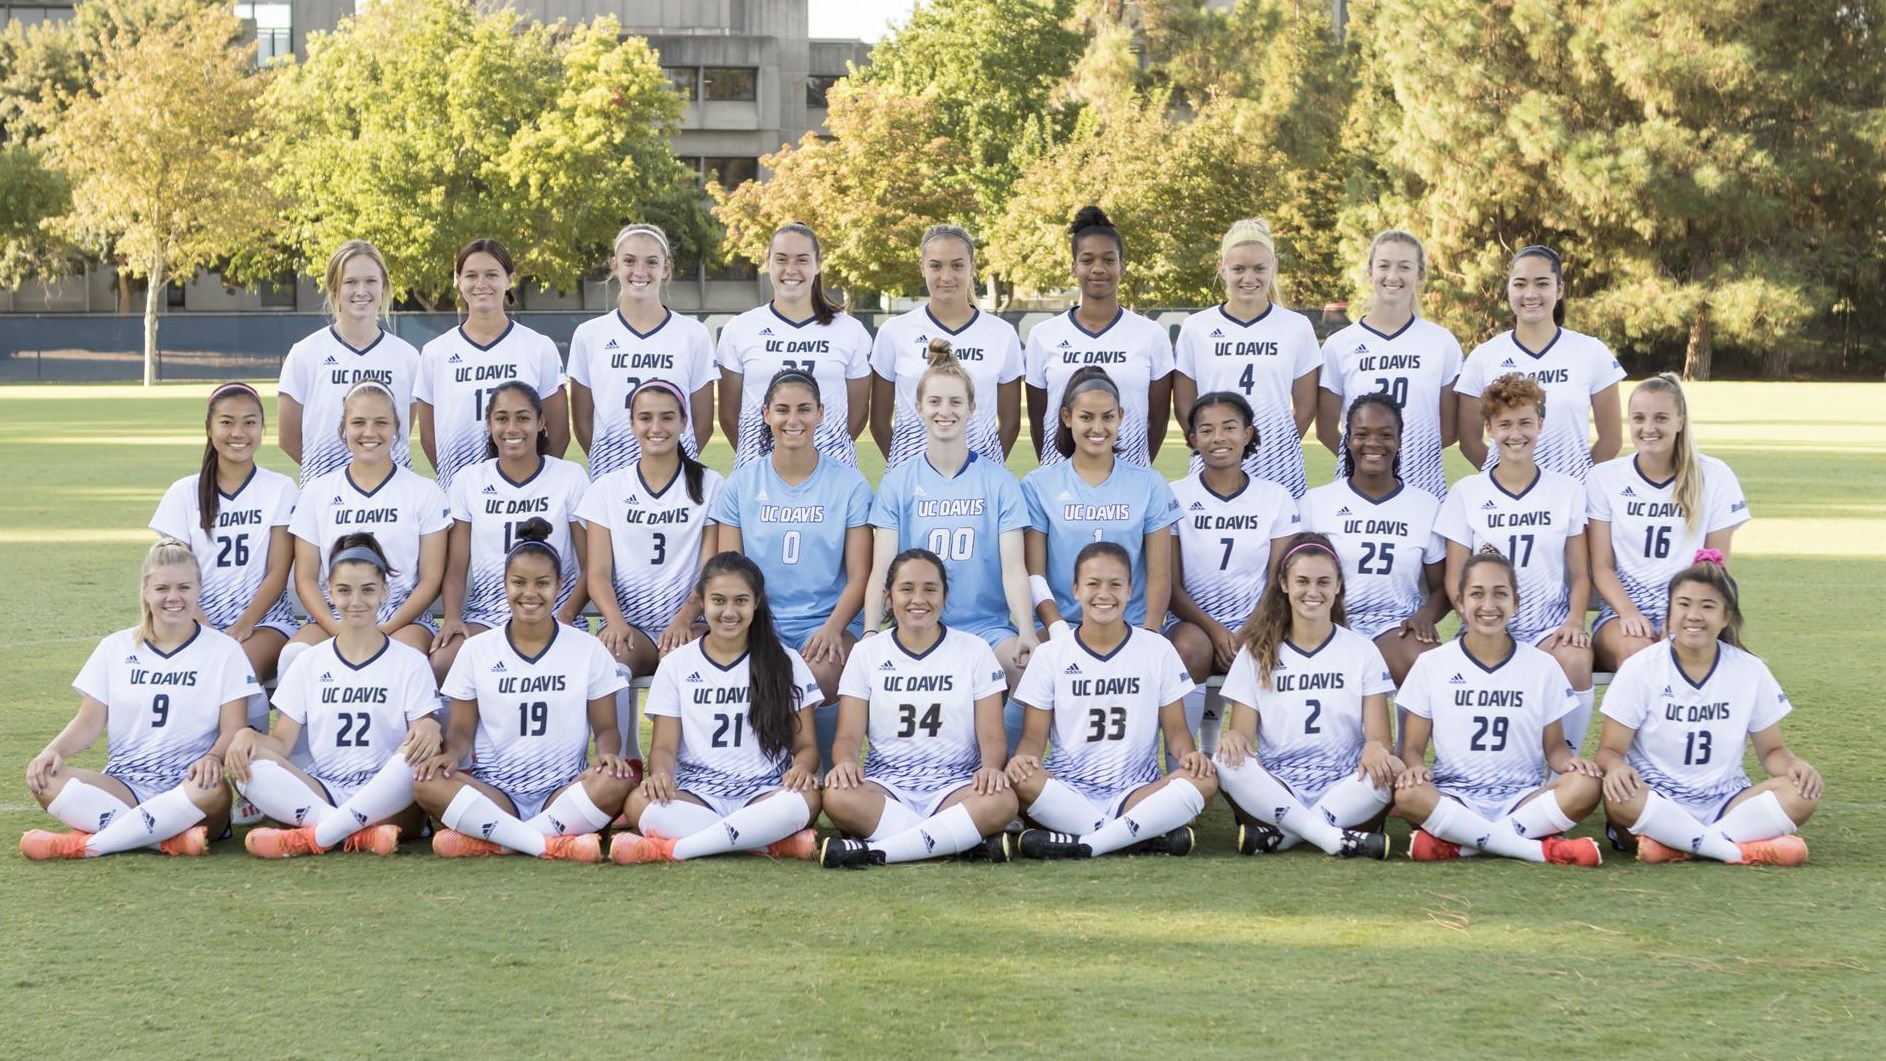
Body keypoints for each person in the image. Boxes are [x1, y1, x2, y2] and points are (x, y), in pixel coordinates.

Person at [412, 520, 634, 861]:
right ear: (505, 584)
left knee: (617, 780)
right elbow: (459, 734)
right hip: (495, 793)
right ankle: (554, 840)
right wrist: (450, 758)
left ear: (559, 585)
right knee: (426, 782)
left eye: (542, 583)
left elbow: (606, 730)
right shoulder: (476, 649)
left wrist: (606, 755)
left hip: (561, 792)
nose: (529, 594)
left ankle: (498, 840)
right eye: (519, 582)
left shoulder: (587, 649)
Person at [21, 540, 257, 860]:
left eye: (184, 587)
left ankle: (87, 844)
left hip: (189, 786)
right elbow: (89, 722)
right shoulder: (114, 648)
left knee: (213, 791)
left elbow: (233, 727)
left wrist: (213, 758)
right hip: (124, 787)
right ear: (146, 590)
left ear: (199, 589)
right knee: (44, 780)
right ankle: (165, 840)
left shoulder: (225, 651)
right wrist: (53, 750)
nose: (173, 597)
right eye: (162, 588)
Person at [1595, 555, 1817, 865]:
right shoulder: (1641, 668)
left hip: (1726, 801)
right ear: (1670, 611)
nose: (1693, 615)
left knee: (1802, 792)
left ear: (1726, 617)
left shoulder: (1749, 670)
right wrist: (1617, 768)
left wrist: (1794, 765)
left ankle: (1677, 847)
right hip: (1658, 799)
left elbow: (1772, 752)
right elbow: (1608, 751)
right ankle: (1736, 849)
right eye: (1683, 604)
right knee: (1620, 796)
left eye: (1707, 606)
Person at [229, 534, 442, 857]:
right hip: (325, 789)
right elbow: (282, 744)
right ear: (329, 591)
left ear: (384, 591)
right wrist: (248, 737)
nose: (355, 601)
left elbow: (420, 743)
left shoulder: (410, 661)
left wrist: (428, 727)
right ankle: (356, 833)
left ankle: (315, 835)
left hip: (389, 795)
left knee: (416, 758)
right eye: (344, 590)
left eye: (367, 590)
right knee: (249, 769)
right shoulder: (308, 661)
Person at [1391, 550, 1604, 866]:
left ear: (1515, 602)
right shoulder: (1432, 664)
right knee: (1409, 794)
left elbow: (1555, 749)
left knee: (1587, 785)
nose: (1488, 605)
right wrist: (1415, 768)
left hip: (1522, 799)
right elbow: (1411, 749)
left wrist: (1572, 764)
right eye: (1477, 594)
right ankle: (1535, 849)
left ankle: (1460, 844)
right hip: (1456, 797)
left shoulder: (1543, 666)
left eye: (1500, 594)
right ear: (1460, 603)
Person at [609, 553, 825, 863]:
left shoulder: (785, 661)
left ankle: (676, 848)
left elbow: (807, 748)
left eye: (740, 601)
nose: (729, 612)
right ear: (702, 602)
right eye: (718, 600)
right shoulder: (676, 665)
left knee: (805, 800)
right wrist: (659, 775)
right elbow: (664, 749)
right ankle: (767, 842)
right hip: (697, 795)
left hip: (763, 793)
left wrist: (802, 768)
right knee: (638, 803)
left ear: (757, 602)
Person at [1005, 543, 1215, 859]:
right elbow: (1033, 738)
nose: (1104, 593)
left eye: (1115, 584)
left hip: (1137, 792)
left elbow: (1176, 734)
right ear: (1076, 590)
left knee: (1204, 778)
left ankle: (1085, 842)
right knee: (1021, 779)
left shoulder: (1157, 649)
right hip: (1069, 791)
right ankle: (1138, 835)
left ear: (1130, 590)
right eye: (1093, 584)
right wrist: (1023, 760)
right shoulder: (1051, 654)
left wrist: (1189, 757)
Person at [711, 370, 873, 766]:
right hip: (761, 621)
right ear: (766, 414)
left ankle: (826, 770)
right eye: (782, 410)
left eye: (804, 409)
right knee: (742, 671)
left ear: (820, 413)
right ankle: (761, 771)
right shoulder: (741, 484)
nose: (793, 419)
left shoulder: (849, 485)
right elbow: (731, 573)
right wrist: (756, 631)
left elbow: (860, 576)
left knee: (820, 671)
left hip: (827, 619)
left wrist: (833, 628)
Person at [819, 549, 1017, 868]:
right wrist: (843, 763)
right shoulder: (867, 653)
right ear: (888, 597)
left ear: (944, 596)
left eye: (930, 589)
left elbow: (992, 737)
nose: (918, 599)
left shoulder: (974, 650)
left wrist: (992, 768)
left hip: (955, 787)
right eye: (907, 588)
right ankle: (959, 843)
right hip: (888, 786)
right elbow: (848, 736)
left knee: (1002, 801)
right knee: (837, 794)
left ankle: (880, 849)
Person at [1437, 373, 1596, 752]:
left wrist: (1574, 621)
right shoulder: (1467, 493)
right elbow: (1453, 579)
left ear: (1540, 424)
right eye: (1505, 424)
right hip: (1485, 622)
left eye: (1525, 422)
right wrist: (1478, 621)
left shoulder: (1567, 491)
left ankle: (1563, 766)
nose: (1516, 434)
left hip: (1547, 626)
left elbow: (1580, 573)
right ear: (1489, 428)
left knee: (1575, 659)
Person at [864, 340, 1036, 688]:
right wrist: (870, 630)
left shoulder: (1000, 482)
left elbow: (1014, 568)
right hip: (917, 624)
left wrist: (1028, 631)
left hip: (987, 628)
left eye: (956, 402)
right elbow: (881, 569)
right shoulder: (898, 483)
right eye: (935, 402)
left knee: (1024, 669)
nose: (946, 411)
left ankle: (1011, 746)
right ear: (918, 408)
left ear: (972, 407)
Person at [1213, 534, 1396, 858]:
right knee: (1225, 761)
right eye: (1302, 581)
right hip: (1278, 786)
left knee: (1389, 769)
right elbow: (1242, 732)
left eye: (1324, 581)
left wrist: (1374, 747)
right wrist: (1234, 737)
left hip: (1346, 783)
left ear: (1339, 585)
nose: (1313, 592)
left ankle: (1281, 836)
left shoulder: (1362, 650)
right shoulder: (1257, 651)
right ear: (1284, 584)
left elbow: (1381, 739)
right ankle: (1333, 836)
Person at [580, 379, 724, 772]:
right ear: (631, 423)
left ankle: (692, 766)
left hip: (692, 624)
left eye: (666, 417)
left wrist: (683, 620)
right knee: (609, 656)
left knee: (688, 659)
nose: (655, 427)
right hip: (634, 625)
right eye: (644, 418)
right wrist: (614, 622)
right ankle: (626, 762)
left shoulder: (710, 485)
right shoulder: (608, 488)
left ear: (683, 423)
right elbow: (598, 574)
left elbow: (713, 571)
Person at [149, 381, 296, 721]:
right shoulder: (183, 492)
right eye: (227, 422)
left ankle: (250, 754)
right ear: (209, 428)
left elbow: (278, 571)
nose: (238, 432)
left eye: (249, 422)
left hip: (265, 623)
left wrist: (244, 625)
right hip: (194, 620)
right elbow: (172, 573)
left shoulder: (280, 488)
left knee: (233, 671)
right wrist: (202, 624)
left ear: (262, 428)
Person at [283, 382, 450, 679]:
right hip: (333, 617)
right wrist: (338, 629)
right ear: (343, 429)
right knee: (295, 657)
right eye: (358, 422)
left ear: (397, 428)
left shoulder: (425, 492)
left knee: (402, 661)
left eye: (381, 423)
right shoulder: (317, 493)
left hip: (403, 620)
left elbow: (431, 578)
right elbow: (306, 578)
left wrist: (387, 627)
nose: (369, 433)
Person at [1588, 374, 1751, 671]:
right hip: (1622, 612)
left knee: (1689, 655)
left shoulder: (1714, 476)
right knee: (1640, 656)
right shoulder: (1605, 478)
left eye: (1660, 418)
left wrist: (1680, 616)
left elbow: (1714, 566)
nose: (1648, 428)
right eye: (1638, 418)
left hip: (1691, 607)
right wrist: (1628, 613)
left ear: (1680, 422)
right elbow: (1601, 566)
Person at [1165, 392, 1298, 752]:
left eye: (1229, 428)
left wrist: (1250, 628)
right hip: (1195, 621)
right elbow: (1171, 586)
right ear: (1192, 439)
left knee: (1271, 650)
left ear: (1248, 434)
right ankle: (1186, 762)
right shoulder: (1173, 495)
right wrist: (1216, 629)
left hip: (1258, 619)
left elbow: (1279, 583)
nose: (1218, 437)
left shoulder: (1276, 497)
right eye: (1206, 430)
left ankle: (1266, 764)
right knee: (1190, 647)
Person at [432, 381, 589, 682]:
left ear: (541, 422)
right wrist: (452, 618)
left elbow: (590, 567)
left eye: (523, 417)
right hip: (488, 615)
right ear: (490, 423)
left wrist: (566, 616)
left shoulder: (568, 477)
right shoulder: (469, 480)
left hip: (553, 614)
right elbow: (455, 569)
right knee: (442, 662)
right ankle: (456, 732)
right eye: (502, 418)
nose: (512, 428)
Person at [1022, 367, 1181, 652]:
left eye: (1107, 417)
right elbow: (1035, 574)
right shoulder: (1038, 484)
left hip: (1130, 627)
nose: (1098, 428)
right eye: (1086, 417)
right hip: (1064, 627)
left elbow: (1160, 574)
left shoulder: (1149, 483)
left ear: (1120, 416)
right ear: (1067, 417)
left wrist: (1149, 634)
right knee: (1024, 667)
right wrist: (1058, 632)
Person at [1301, 393, 1449, 686]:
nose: (1373, 443)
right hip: (1331, 623)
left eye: (1385, 435)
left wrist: (1427, 614)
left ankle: (1411, 735)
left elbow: (1444, 587)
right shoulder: (1316, 503)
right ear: (1348, 439)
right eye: (1361, 434)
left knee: (1431, 667)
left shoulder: (1425, 505)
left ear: (1400, 440)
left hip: (1397, 625)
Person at [1172, 217, 1321, 498]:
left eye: (1259, 268)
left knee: (1281, 541)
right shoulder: (1197, 327)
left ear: (1273, 268)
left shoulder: (1296, 326)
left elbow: (1306, 406)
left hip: (1279, 466)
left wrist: (1274, 444)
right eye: (1238, 268)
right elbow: (1184, 405)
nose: (1248, 278)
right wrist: (1214, 443)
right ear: (1222, 268)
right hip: (1212, 461)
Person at [1455, 244, 1624, 482]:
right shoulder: (1483, 356)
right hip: (1505, 503)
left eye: (1542, 283)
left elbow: (1612, 439)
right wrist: (1507, 480)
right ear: (1509, 289)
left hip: (1570, 502)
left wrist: (1578, 484)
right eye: (1520, 284)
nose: (1530, 293)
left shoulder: (1591, 351)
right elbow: (1470, 442)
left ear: (1559, 290)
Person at [1024, 206, 1174, 468]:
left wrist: (1134, 468)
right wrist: (1054, 467)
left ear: (1122, 266)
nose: (1098, 268)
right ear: (1073, 267)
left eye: (1108, 260)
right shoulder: (1043, 336)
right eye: (1087, 260)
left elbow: (1158, 419)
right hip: (1059, 482)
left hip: (1128, 481)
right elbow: (1039, 421)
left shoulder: (1151, 335)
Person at [1317, 230, 1462, 500]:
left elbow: (1450, 430)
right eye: (1384, 265)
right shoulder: (1340, 345)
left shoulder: (1441, 343)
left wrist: (1411, 456)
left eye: (1404, 267)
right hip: (1356, 489)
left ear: (1420, 276)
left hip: (1424, 490)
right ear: (1370, 272)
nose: (1393, 276)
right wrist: (1369, 457)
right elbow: (1325, 430)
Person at [414, 237, 568, 490]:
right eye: (471, 275)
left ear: (510, 279)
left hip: (524, 494)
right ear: (458, 280)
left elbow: (558, 434)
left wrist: (532, 484)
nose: (481, 284)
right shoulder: (435, 353)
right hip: (459, 499)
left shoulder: (538, 347)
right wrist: (459, 486)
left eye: (492, 275)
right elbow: (429, 438)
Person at [716, 222, 872, 468]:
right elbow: (728, 416)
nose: (791, 269)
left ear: (817, 264)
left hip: (831, 477)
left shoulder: (850, 331)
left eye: (801, 260)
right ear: (768, 263)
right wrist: (761, 459)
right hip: (759, 478)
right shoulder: (740, 328)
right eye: (781, 259)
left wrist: (824, 452)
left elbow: (857, 417)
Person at [567, 223, 717, 478]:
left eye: (651, 262)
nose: (640, 271)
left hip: (676, 477)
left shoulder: (693, 334)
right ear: (614, 265)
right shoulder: (589, 334)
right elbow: (583, 425)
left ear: (666, 269)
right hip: (610, 478)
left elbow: (702, 424)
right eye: (629, 261)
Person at [869, 225, 1024, 468]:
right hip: (913, 487)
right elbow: (879, 422)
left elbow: (1011, 422)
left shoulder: (1001, 334)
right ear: (922, 267)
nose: (946, 276)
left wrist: (982, 470)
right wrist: (907, 471)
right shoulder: (894, 331)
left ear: (972, 266)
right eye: (935, 265)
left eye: (957, 265)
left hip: (978, 485)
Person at [277, 240, 420, 483]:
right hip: (326, 502)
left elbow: (400, 432)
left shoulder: (407, 357)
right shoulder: (306, 353)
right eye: (351, 282)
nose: (361, 290)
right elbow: (289, 439)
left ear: (384, 286)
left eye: (371, 281)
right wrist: (337, 479)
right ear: (335, 288)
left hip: (393, 500)